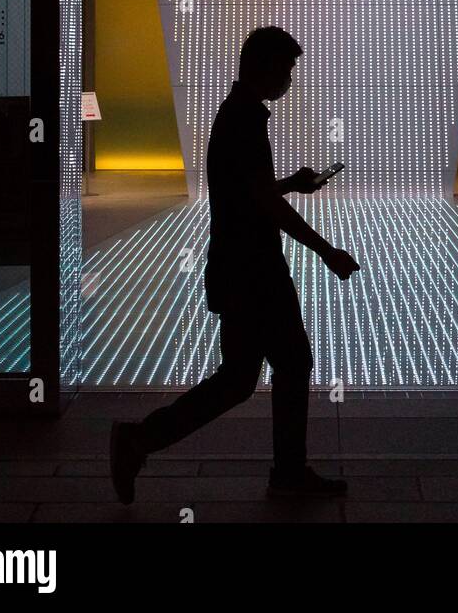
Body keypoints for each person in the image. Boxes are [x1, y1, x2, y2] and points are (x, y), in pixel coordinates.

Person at [110, 26, 360, 504]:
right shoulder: (244, 120)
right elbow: (264, 205)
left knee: (238, 379)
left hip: (237, 266)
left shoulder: (236, 116)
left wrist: (289, 183)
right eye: (285, 69)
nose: (289, 79)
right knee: (290, 361)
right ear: (263, 66)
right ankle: (286, 472)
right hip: (255, 270)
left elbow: (250, 193)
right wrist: (326, 251)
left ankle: (140, 440)